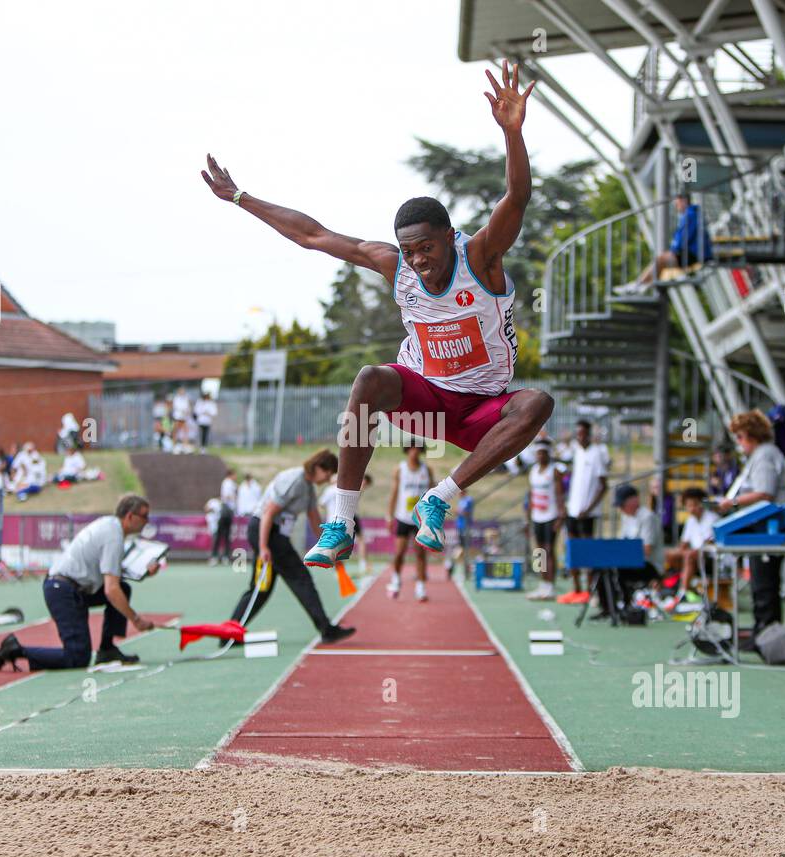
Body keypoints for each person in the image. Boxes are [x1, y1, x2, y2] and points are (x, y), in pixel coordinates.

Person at [203, 61, 554, 571]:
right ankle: (342, 521)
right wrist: (240, 197)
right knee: (369, 377)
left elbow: (517, 197)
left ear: (448, 237)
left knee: (538, 403)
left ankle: (439, 498)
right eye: (410, 251)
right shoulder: (396, 267)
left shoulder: (481, 258)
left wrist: (513, 134)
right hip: (425, 398)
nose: (418, 261)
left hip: (481, 410)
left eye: (427, 248)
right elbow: (313, 235)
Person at [0, 495, 159, 670]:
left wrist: (145, 572)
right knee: (77, 657)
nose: (147, 521)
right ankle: (17, 650)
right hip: (63, 591)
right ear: (130, 516)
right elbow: (111, 589)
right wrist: (136, 619)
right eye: (144, 516)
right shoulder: (113, 537)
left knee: (123, 588)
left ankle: (107, 650)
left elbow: (116, 574)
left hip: (70, 588)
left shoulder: (111, 526)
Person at [228, 451, 355, 644]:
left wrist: (328, 546)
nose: (329, 479)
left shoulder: (309, 488)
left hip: (274, 535)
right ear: (319, 467)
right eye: (328, 474)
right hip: (268, 532)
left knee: (261, 588)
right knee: (301, 580)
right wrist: (263, 546)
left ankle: (229, 632)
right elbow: (268, 513)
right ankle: (326, 629)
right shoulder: (294, 481)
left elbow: (314, 517)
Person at [717, 410, 785, 640]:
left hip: (769, 528)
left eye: (740, 437)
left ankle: (767, 634)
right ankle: (763, 631)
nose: (739, 444)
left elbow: (764, 493)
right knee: (761, 583)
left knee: (765, 585)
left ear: (752, 435)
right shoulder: (762, 454)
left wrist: (733, 502)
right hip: (762, 526)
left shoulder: (765, 455)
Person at [614, 193, 713, 293]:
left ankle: (640, 284)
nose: (676, 206)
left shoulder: (690, 215)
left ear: (684, 201)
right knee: (661, 260)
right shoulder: (692, 214)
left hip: (694, 254)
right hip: (695, 252)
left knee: (661, 259)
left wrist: (674, 250)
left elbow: (684, 237)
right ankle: (641, 284)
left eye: (677, 203)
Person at [563, 419, 610, 600]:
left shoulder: (596, 453)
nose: (580, 437)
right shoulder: (577, 452)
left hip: (588, 513)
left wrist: (589, 508)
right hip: (573, 510)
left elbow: (603, 486)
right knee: (573, 549)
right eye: (578, 434)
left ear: (589, 434)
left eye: (583, 433)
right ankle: (577, 589)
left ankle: (591, 590)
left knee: (588, 552)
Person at [387, 443, 434, 601]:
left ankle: (420, 587)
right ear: (407, 450)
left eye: (418, 449)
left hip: (421, 519)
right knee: (399, 552)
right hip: (403, 517)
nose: (414, 452)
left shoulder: (426, 470)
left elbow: (433, 493)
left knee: (420, 554)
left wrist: (433, 516)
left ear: (421, 451)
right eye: (411, 448)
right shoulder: (400, 469)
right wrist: (389, 516)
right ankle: (395, 579)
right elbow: (394, 493)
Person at [606, 484, 663, 614]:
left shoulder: (648, 517)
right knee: (603, 567)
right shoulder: (626, 517)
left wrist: (624, 552)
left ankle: (625, 604)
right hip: (630, 561)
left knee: (617, 569)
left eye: (623, 504)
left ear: (634, 500)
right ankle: (608, 607)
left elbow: (647, 549)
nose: (621, 508)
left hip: (649, 565)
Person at [662, 487, 716, 611]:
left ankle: (683, 593)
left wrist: (686, 553)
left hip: (711, 561)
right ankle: (678, 587)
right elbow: (683, 544)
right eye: (689, 505)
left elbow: (708, 545)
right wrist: (676, 553)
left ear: (702, 504)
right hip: (694, 559)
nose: (692, 508)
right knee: (670, 554)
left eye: (695, 505)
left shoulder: (712, 518)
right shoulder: (690, 520)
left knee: (689, 555)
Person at [525, 438, 564, 601]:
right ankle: (542, 583)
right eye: (538, 453)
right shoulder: (533, 471)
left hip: (551, 515)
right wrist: (528, 519)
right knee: (539, 551)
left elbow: (559, 494)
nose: (541, 456)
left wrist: (560, 515)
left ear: (548, 454)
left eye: (544, 453)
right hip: (537, 516)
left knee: (549, 550)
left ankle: (551, 585)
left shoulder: (553, 471)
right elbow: (531, 495)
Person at [211, 468, 237, 565]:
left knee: (227, 535)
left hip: (229, 511)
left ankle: (225, 556)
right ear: (231, 474)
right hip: (225, 510)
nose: (236, 477)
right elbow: (226, 496)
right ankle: (214, 556)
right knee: (219, 534)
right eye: (235, 474)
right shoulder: (227, 482)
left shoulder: (232, 484)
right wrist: (233, 497)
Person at [171, 388, 192, 453]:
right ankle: (174, 446)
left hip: (184, 417)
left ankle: (185, 446)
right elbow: (176, 407)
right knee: (175, 431)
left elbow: (188, 407)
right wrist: (183, 410)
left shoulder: (185, 398)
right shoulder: (176, 398)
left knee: (185, 431)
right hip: (177, 417)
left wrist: (187, 411)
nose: (182, 393)